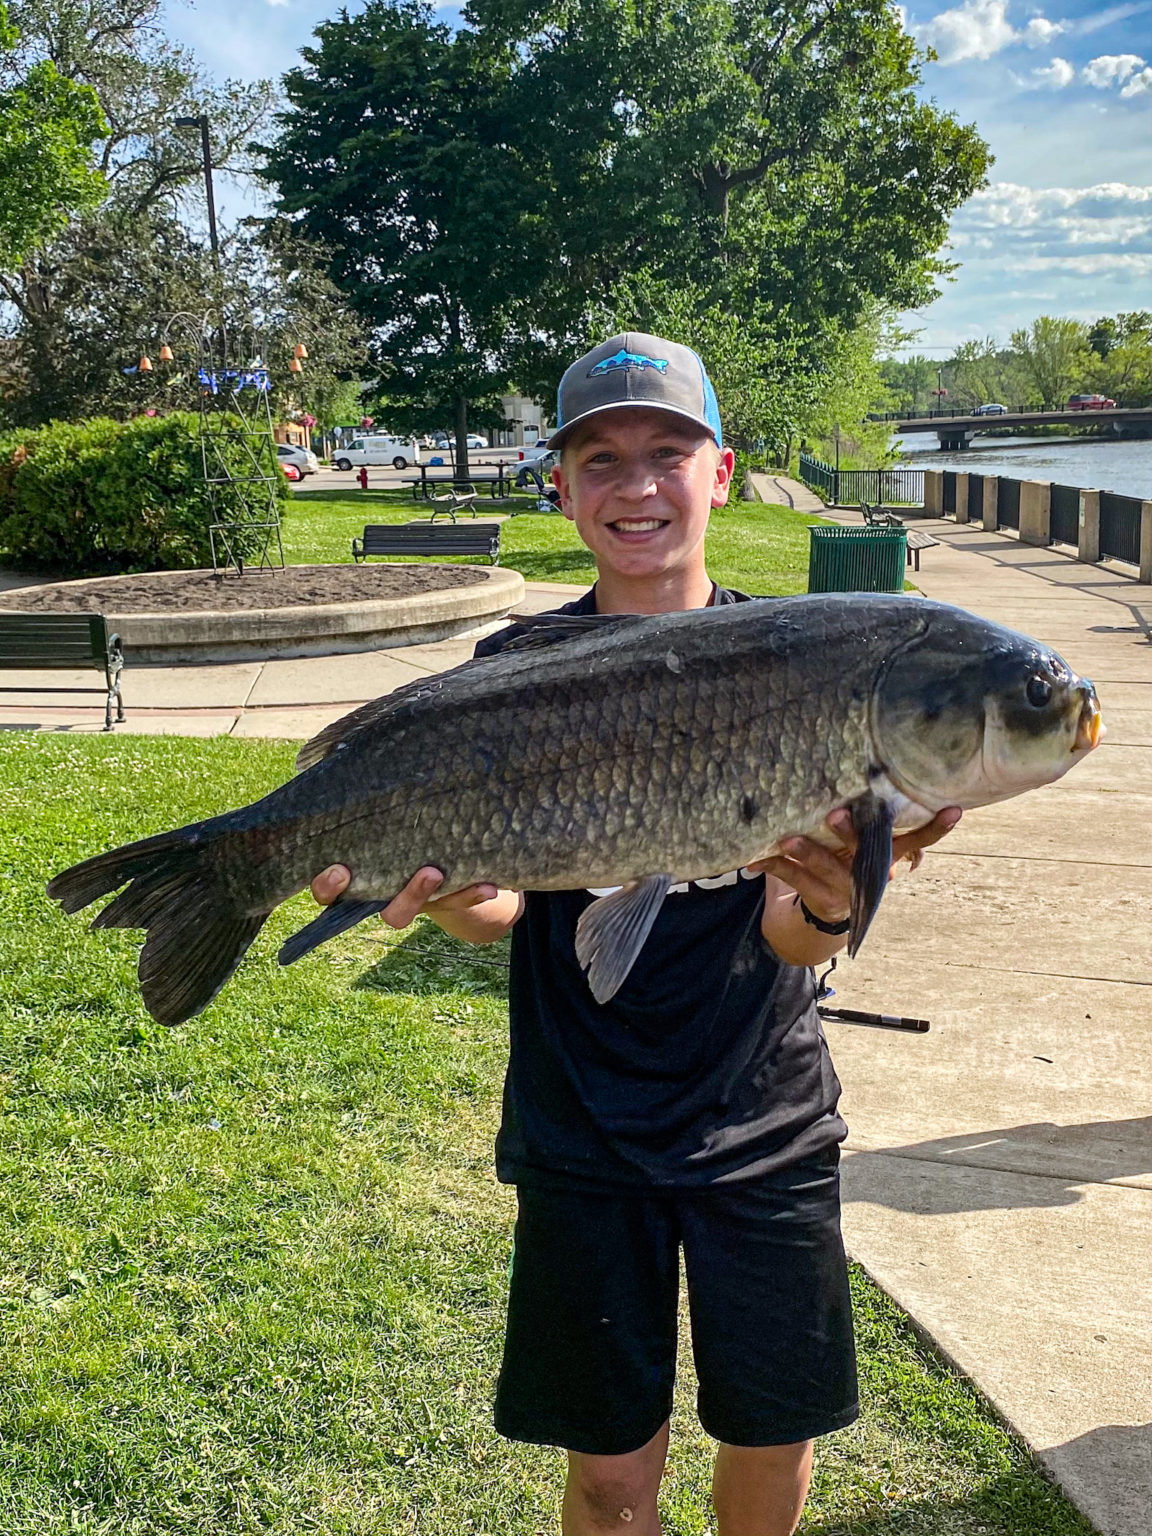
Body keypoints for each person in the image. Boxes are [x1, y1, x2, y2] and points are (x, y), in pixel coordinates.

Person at [311, 333, 960, 1535]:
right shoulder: (516, 673)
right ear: (560, 488)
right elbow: (514, 909)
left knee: (770, 1443)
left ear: (720, 474)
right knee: (611, 1476)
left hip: (764, 1124)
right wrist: (451, 892)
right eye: (600, 459)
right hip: (582, 1130)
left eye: (669, 452)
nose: (637, 485)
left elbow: (794, 936)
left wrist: (828, 896)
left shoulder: (811, 664)